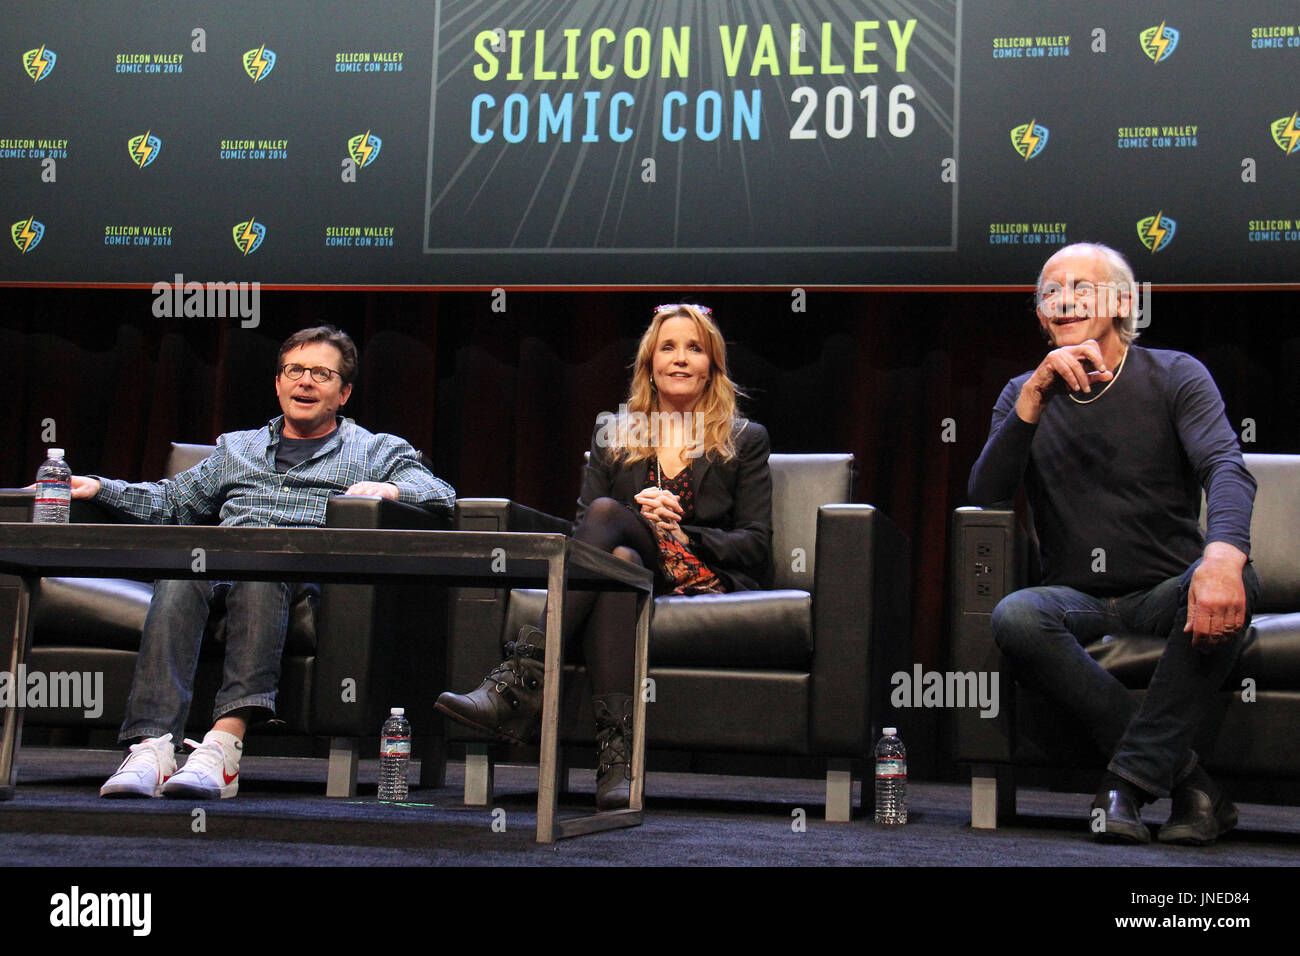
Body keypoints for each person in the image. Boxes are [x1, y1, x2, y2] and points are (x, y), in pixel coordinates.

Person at [78, 325, 456, 800]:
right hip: (221, 560)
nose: (305, 382)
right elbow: (173, 501)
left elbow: (442, 496)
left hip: (302, 570)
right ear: (278, 383)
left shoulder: (375, 449)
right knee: (180, 574)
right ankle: (152, 748)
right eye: (295, 370)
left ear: (344, 392)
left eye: (321, 373)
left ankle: (223, 746)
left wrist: (392, 489)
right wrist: (98, 486)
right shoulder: (237, 448)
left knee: (261, 571)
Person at [968, 242, 1258, 845]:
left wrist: (1223, 556)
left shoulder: (1175, 374)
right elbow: (988, 496)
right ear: (1041, 313)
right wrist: (1029, 403)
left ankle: (1124, 785)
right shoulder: (1024, 392)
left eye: (1082, 287)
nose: (1064, 299)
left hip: (1166, 589)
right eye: (1051, 291)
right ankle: (1190, 784)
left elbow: (1226, 468)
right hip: (1077, 597)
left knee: (1235, 581)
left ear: (1124, 302)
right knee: (1016, 615)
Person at [437, 304, 772, 810]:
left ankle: (521, 682)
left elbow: (756, 541)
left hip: (699, 572)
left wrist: (683, 532)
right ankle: (616, 764)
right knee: (617, 556)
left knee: (608, 516)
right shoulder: (614, 435)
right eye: (668, 347)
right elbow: (582, 533)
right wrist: (639, 532)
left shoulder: (743, 439)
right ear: (649, 364)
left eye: (694, 348)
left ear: (712, 366)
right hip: (636, 569)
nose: (680, 359)